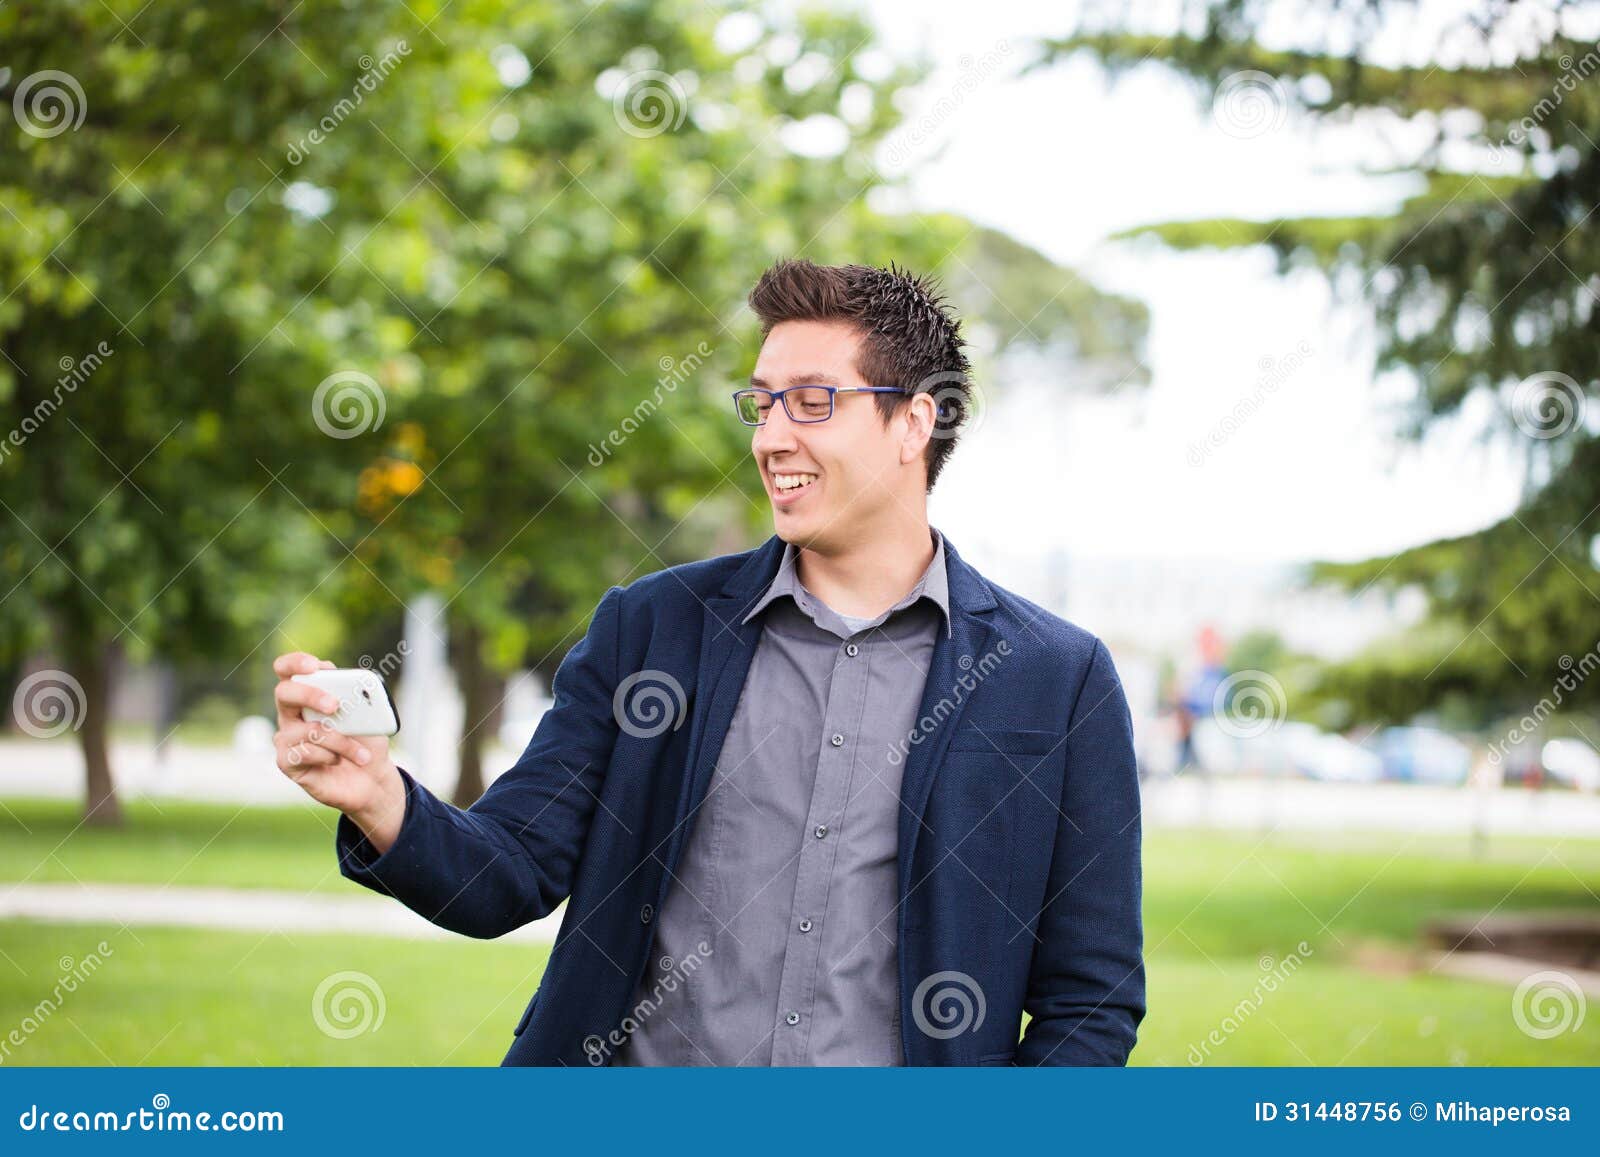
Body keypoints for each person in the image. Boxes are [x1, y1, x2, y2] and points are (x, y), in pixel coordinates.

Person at [272, 258, 1145, 1066]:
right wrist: (380, 797)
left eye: (811, 402)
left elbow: (1090, 998)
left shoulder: (1055, 679)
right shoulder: (652, 630)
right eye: (761, 404)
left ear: (914, 421)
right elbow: (509, 869)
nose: (771, 438)